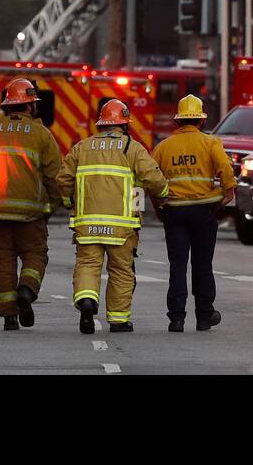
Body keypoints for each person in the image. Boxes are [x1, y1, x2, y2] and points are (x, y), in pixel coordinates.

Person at [58, 98, 169, 334]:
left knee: (88, 264)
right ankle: (118, 321)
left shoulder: (82, 147)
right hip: (123, 226)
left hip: (87, 224)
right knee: (120, 270)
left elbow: (63, 180)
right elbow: (154, 179)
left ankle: (87, 300)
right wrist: (165, 194)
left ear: (102, 123)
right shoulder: (133, 148)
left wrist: (69, 202)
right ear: (124, 124)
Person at [0, 78, 61, 331]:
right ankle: (26, 290)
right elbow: (54, 175)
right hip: (31, 212)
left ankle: (9, 316)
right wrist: (56, 202)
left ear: (7, 105)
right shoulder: (42, 134)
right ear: (30, 106)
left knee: (3, 262)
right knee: (35, 254)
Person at [151, 94, 236, 332]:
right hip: (204, 211)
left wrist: (159, 206)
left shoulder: (163, 147)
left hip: (174, 212)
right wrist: (228, 192)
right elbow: (226, 169)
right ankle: (204, 315)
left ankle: (176, 318)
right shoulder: (211, 143)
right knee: (202, 264)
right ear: (200, 121)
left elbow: (152, 179)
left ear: (177, 122)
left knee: (177, 265)